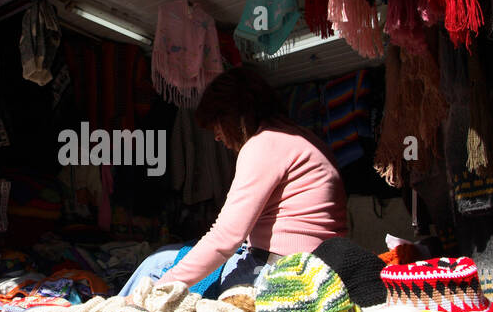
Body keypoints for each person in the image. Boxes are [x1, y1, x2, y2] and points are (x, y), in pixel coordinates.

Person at [122, 65, 348, 296]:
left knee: (157, 265)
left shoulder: (264, 144)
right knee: (173, 258)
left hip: (284, 269)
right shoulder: (303, 138)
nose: (217, 136)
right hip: (320, 263)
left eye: (217, 125)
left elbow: (225, 237)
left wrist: (158, 290)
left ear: (234, 115)